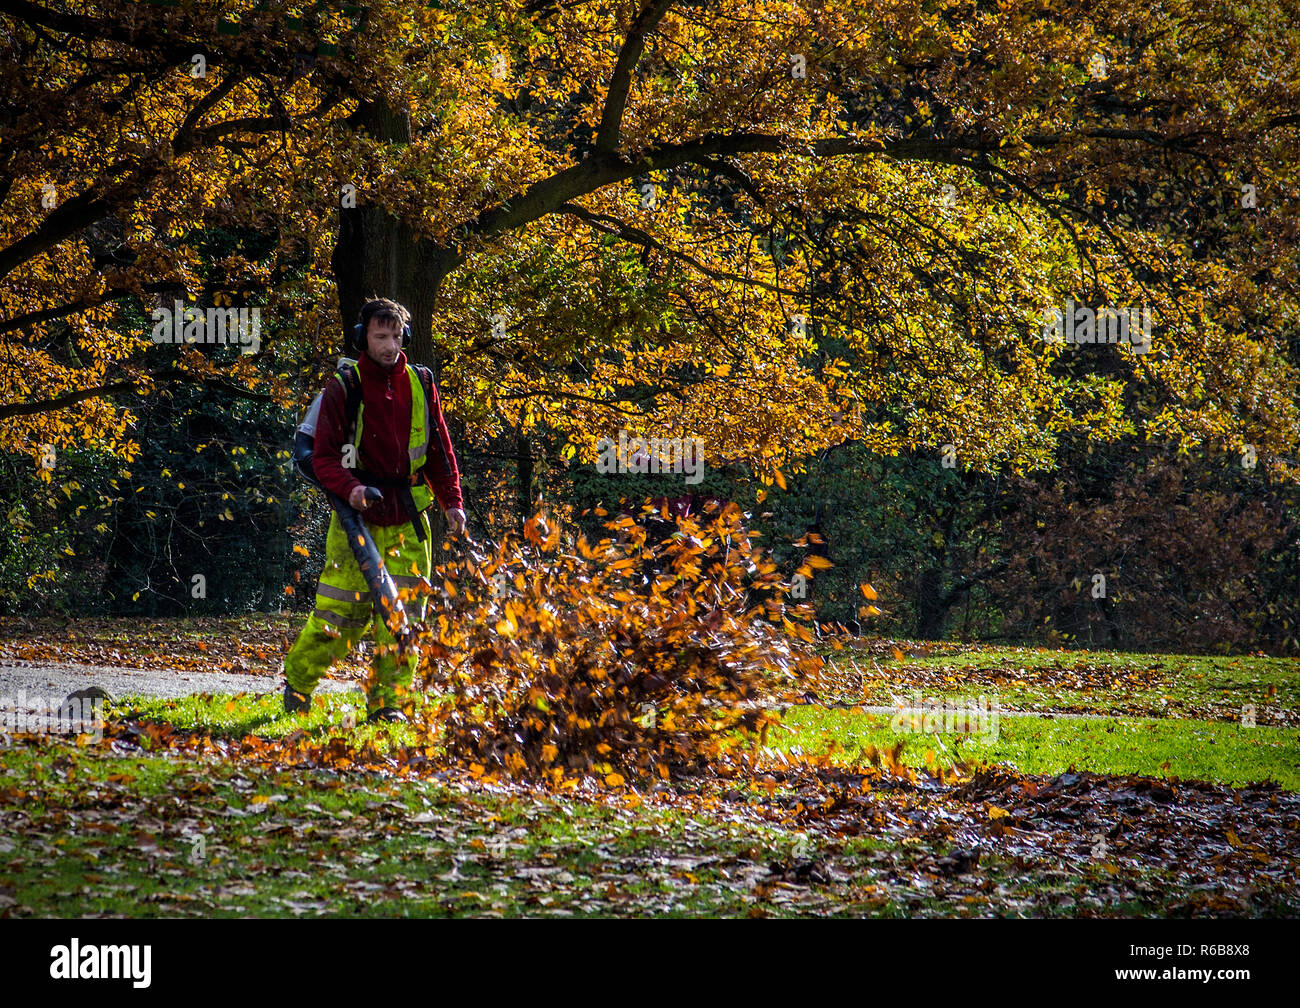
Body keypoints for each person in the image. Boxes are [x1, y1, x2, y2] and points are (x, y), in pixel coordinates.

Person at [282, 297, 467, 722]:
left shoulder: (421, 383)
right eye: (380, 336)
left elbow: (440, 452)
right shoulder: (344, 385)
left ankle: (389, 705)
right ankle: (299, 683)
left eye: (396, 336)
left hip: (409, 519)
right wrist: (351, 491)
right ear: (363, 337)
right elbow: (322, 457)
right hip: (356, 519)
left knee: (402, 620)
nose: (389, 345)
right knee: (341, 613)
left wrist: (452, 502)